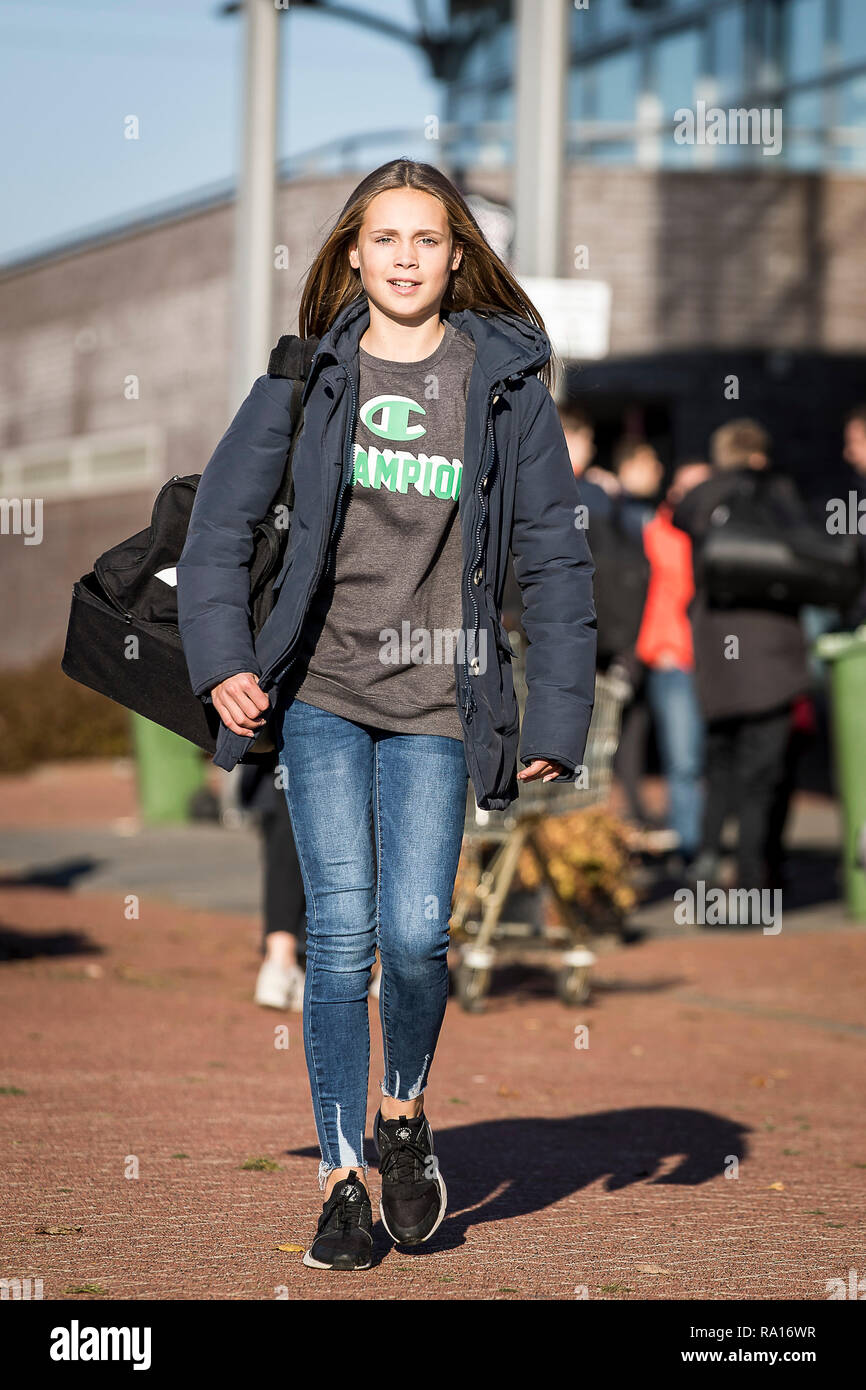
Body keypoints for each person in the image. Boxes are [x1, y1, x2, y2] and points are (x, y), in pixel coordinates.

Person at [177, 158, 596, 1271]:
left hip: (439, 697)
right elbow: (218, 524)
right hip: (319, 691)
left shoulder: (502, 384)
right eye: (384, 239)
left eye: (425, 239)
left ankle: (402, 1115)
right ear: (352, 255)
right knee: (340, 939)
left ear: (457, 256)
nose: (404, 258)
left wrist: (556, 713)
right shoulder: (307, 373)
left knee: (416, 935)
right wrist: (223, 658)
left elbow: (553, 558)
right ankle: (339, 1176)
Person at [671, 419, 810, 893]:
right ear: (758, 457)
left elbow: (681, 518)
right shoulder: (774, 494)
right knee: (760, 779)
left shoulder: (703, 500)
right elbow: (807, 553)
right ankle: (751, 881)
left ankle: (706, 875)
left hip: (717, 663)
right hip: (771, 661)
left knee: (721, 771)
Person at [635, 462, 711, 865]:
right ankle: (690, 849)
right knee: (684, 761)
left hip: (713, 660)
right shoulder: (660, 532)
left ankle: (705, 842)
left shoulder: (712, 532)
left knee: (710, 760)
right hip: (673, 658)